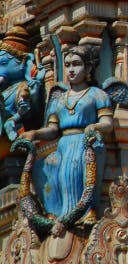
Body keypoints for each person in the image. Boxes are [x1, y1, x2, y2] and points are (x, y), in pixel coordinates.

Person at [18, 45, 113, 236]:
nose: (71, 69)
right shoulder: (59, 99)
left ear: (88, 69)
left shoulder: (97, 94)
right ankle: (54, 212)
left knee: (79, 163)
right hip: (63, 144)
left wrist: (94, 127)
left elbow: (108, 123)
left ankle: (87, 211)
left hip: (86, 142)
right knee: (44, 166)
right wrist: (34, 134)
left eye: (76, 64)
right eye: (68, 65)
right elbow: (53, 129)